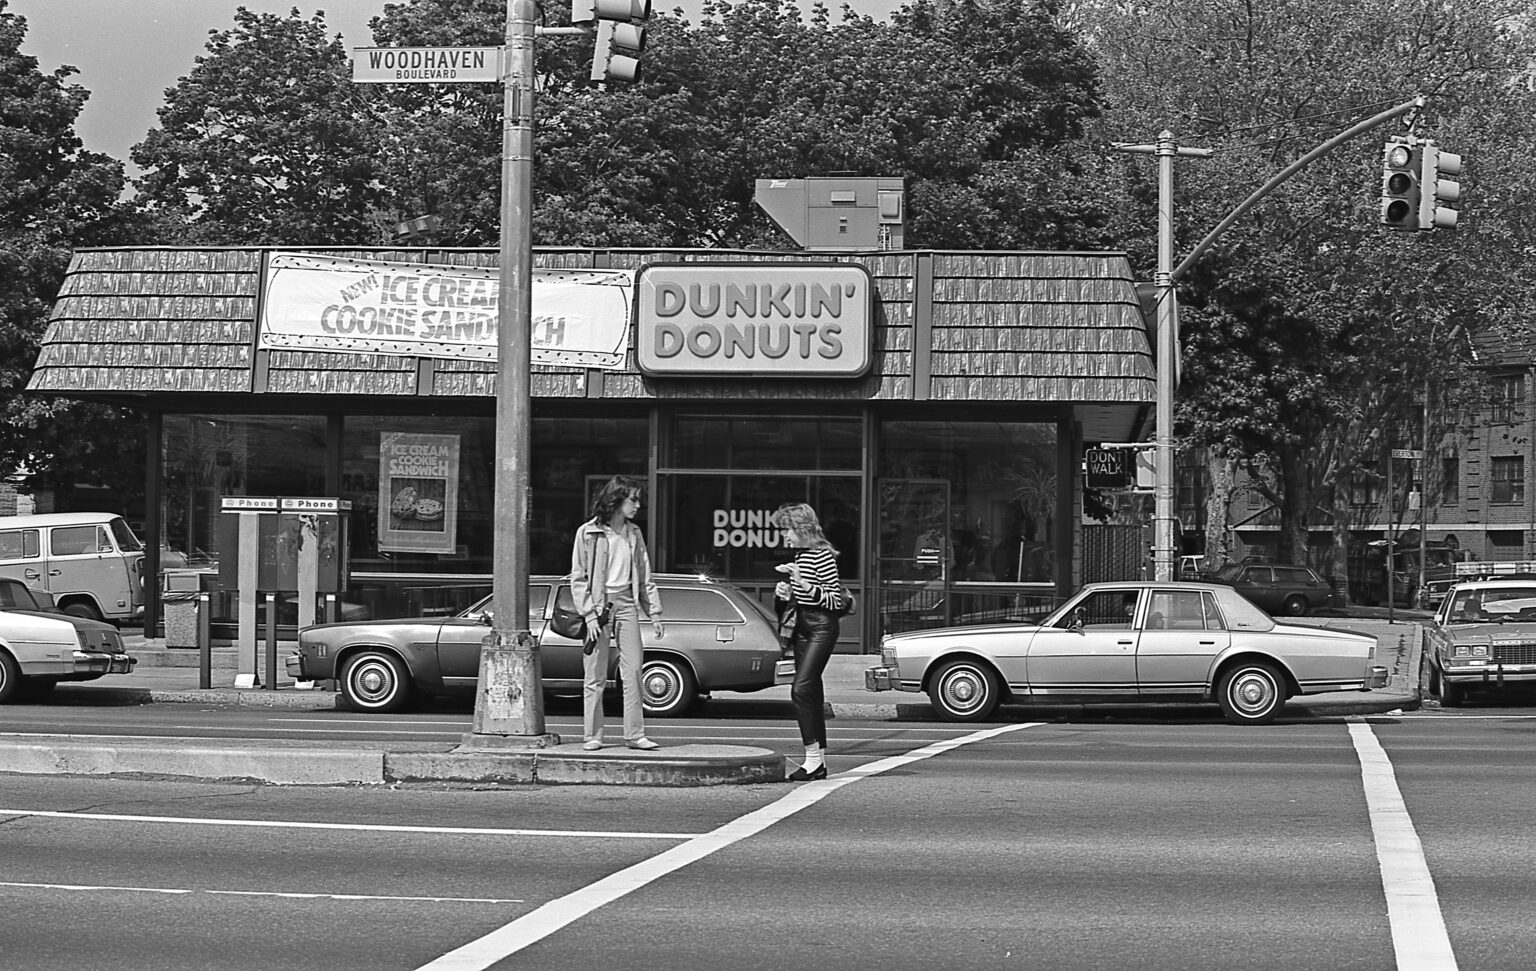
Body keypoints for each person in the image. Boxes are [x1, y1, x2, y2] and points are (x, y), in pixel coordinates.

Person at [570, 475, 665, 752]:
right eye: (632, 499)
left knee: (633, 670)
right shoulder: (588, 533)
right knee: (595, 675)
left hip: (626, 605)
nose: (637, 505)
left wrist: (654, 612)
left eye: (638, 500)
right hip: (598, 608)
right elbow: (578, 577)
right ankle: (593, 735)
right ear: (616, 500)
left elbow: (645, 573)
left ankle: (635, 735)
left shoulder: (634, 533)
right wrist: (588, 614)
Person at [772, 501, 845, 781]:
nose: (784, 536)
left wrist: (802, 583)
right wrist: (783, 593)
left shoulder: (822, 555)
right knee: (811, 691)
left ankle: (814, 760)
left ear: (801, 528)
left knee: (800, 689)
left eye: (787, 530)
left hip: (822, 627)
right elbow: (798, 601)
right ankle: (816, 762)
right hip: (803, 627)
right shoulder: (801, 556)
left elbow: (833, 600)